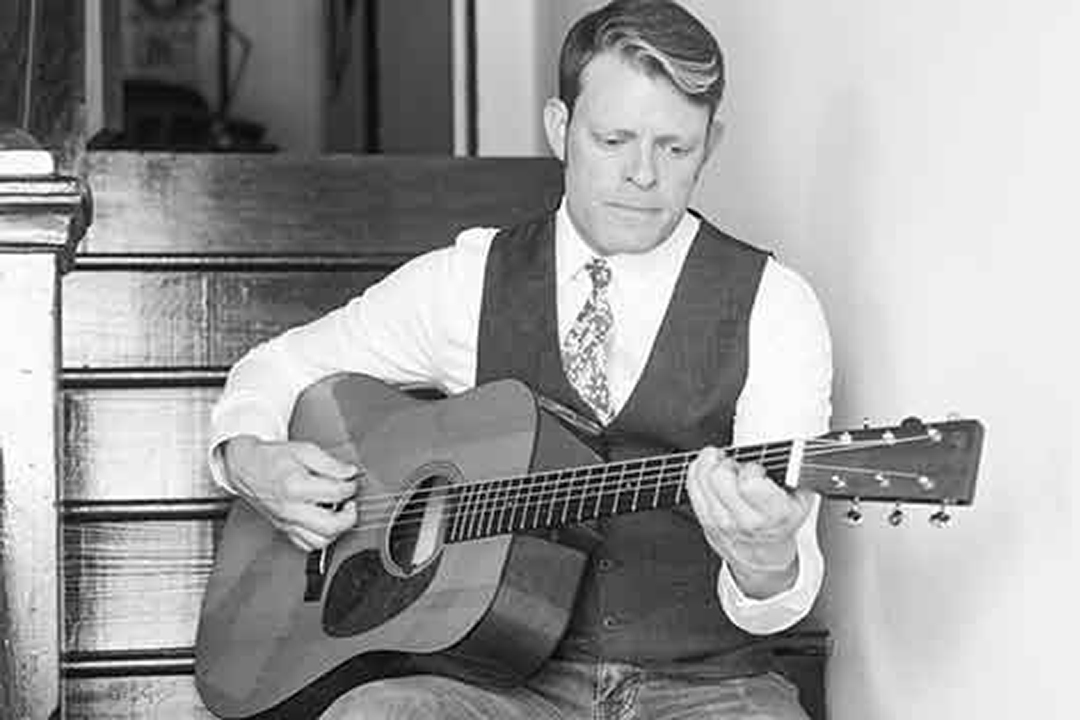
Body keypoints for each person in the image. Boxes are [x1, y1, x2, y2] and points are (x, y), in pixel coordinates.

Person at [208, 1, 832, 717]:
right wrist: (248, 460)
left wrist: (764, 560)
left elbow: (783, 593)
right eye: (614, 138)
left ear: (711, 143)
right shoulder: (468, 280)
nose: (642, 174)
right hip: (504, 686)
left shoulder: (775, 306)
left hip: (709, 687)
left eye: (676, 148)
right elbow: (278, 367)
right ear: (560, 129)